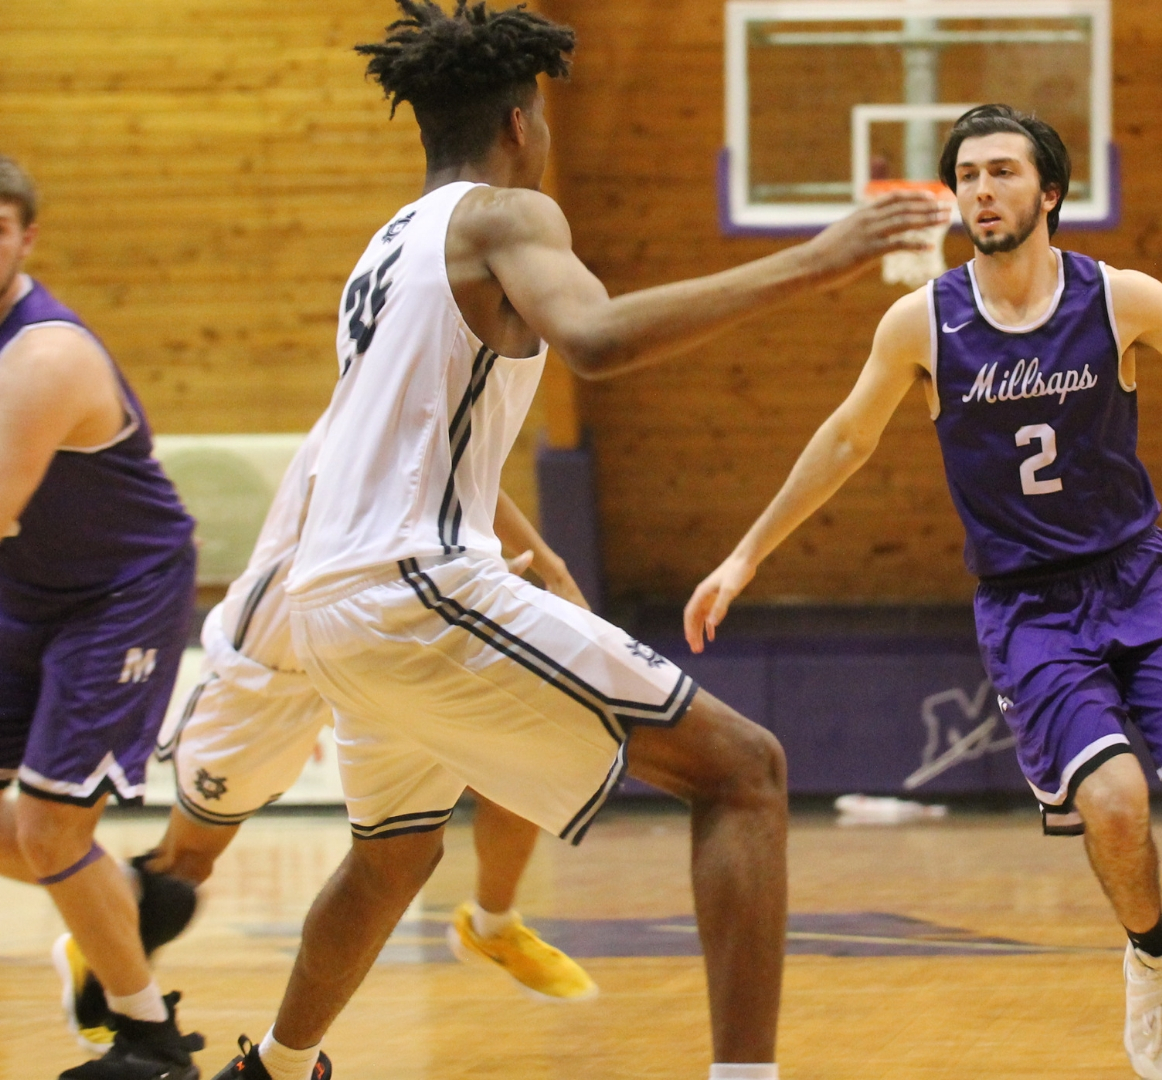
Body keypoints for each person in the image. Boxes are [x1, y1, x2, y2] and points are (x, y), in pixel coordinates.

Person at [209, 3, 950, 1079]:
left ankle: (273, 1068)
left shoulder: (384, 249)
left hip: (326, 605)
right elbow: (596, 339)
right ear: (519, 124)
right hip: (409, 587)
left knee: (391, 853)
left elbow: (408, 442)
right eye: (544, 120)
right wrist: (815, 261)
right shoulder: (507, 218)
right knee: (744, 773)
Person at [683, 104, 1162, 1080]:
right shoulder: (923, 321)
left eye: (1003, 171)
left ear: (1049, 192)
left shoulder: (1118, 301)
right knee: (1111, 800)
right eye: (967, 174)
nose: (982, 189)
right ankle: (1149, 963)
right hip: (1028, 606)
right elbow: (847, 438)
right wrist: (746, 554)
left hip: (1138, 578)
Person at [52, 414, 604, 1063]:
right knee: (184, 873)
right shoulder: (368, 399)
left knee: (518, 752)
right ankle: (104, 926)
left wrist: (549, 571)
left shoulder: (445, 393)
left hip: (382, 630)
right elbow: (370, 521)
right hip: (275, 663)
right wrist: (468, 567)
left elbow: (463, 478)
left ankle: (492, 925)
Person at [0, 154, 207, 1080]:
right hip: (23, 590)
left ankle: (148, 1038)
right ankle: (125, 898)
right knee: (53, 845)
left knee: (48, 829)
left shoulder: (45, 353)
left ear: (26, 237)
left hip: (118, 593)